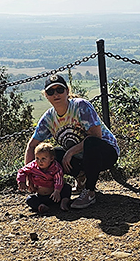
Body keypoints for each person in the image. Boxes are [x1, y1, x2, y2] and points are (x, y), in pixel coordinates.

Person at [24, 74, 119, 210]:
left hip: (105, 153)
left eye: (60, 90)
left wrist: (70, 152)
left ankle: (90, 192)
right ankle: (81, 178)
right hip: (81, 158)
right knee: (52, 154)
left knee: (91, 143)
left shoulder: (81, 106)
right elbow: (32, 145)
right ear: (46, 96)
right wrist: (31, 175)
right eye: (51, 92)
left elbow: (96, 136)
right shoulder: (49, 118)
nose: (56, 94)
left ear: (67, 91)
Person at [16, 141, 72, 214]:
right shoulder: (33, 166)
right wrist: (21, 182)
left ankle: (64, 202)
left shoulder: (55, 167)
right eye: (37, 158)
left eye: (43, 159)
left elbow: (59, 179)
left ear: (51, 158)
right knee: (30, 199)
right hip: (41, 196)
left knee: (67, 188)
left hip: (55, 194)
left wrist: (57, 191)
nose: (40, 161)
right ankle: (41, 206)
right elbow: (22, 171)